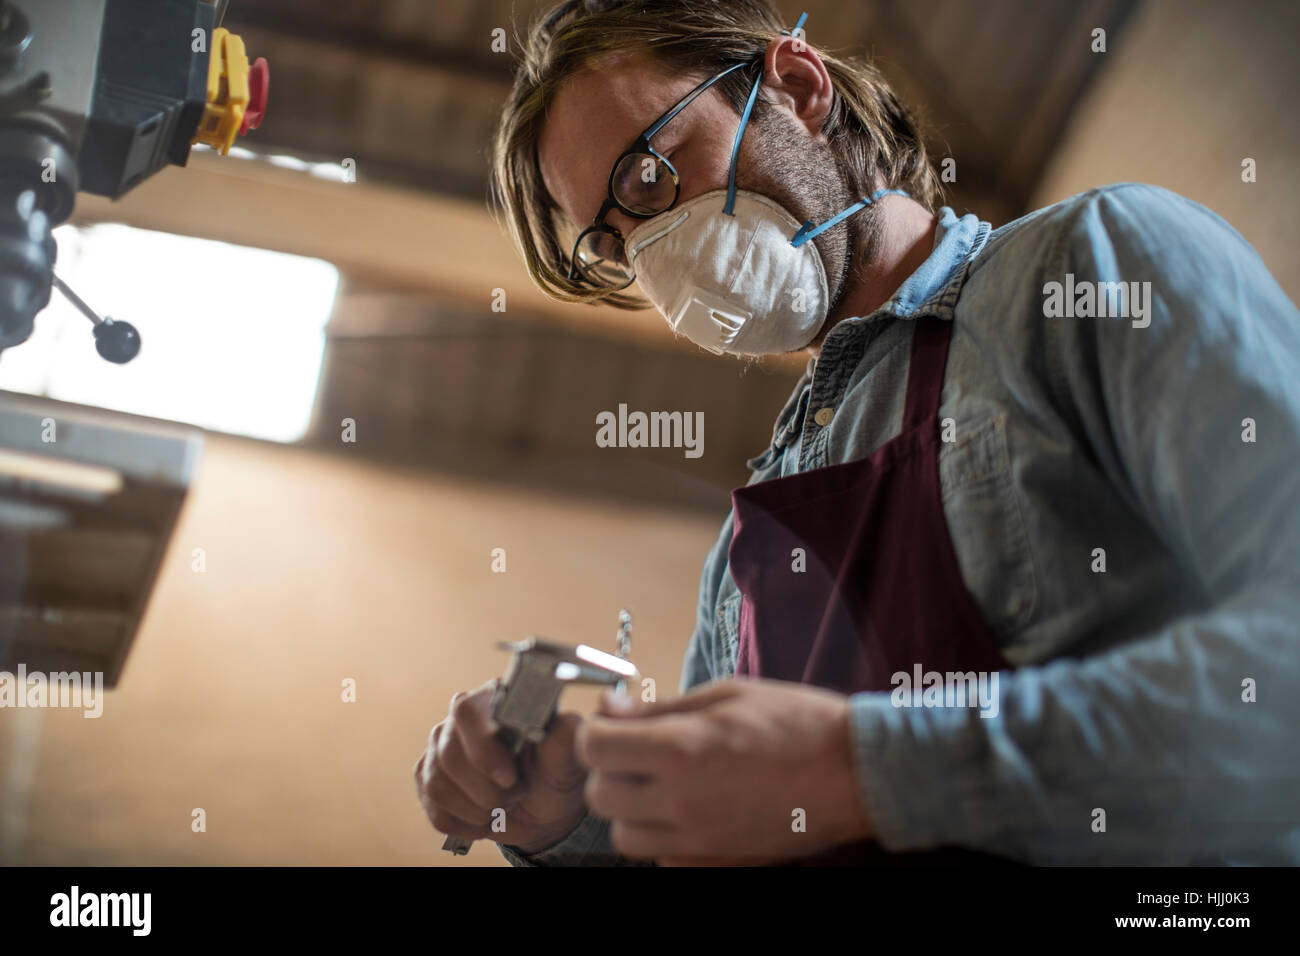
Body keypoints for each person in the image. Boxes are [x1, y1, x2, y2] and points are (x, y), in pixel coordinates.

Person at [414, 0, 1300, 865]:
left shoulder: (1089, 270)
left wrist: (868, 768)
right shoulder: (742, 551)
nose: (653, 249)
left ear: (797, 88)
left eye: (652, 176)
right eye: (613, 243)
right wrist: (569, 826)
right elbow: (722, 833)